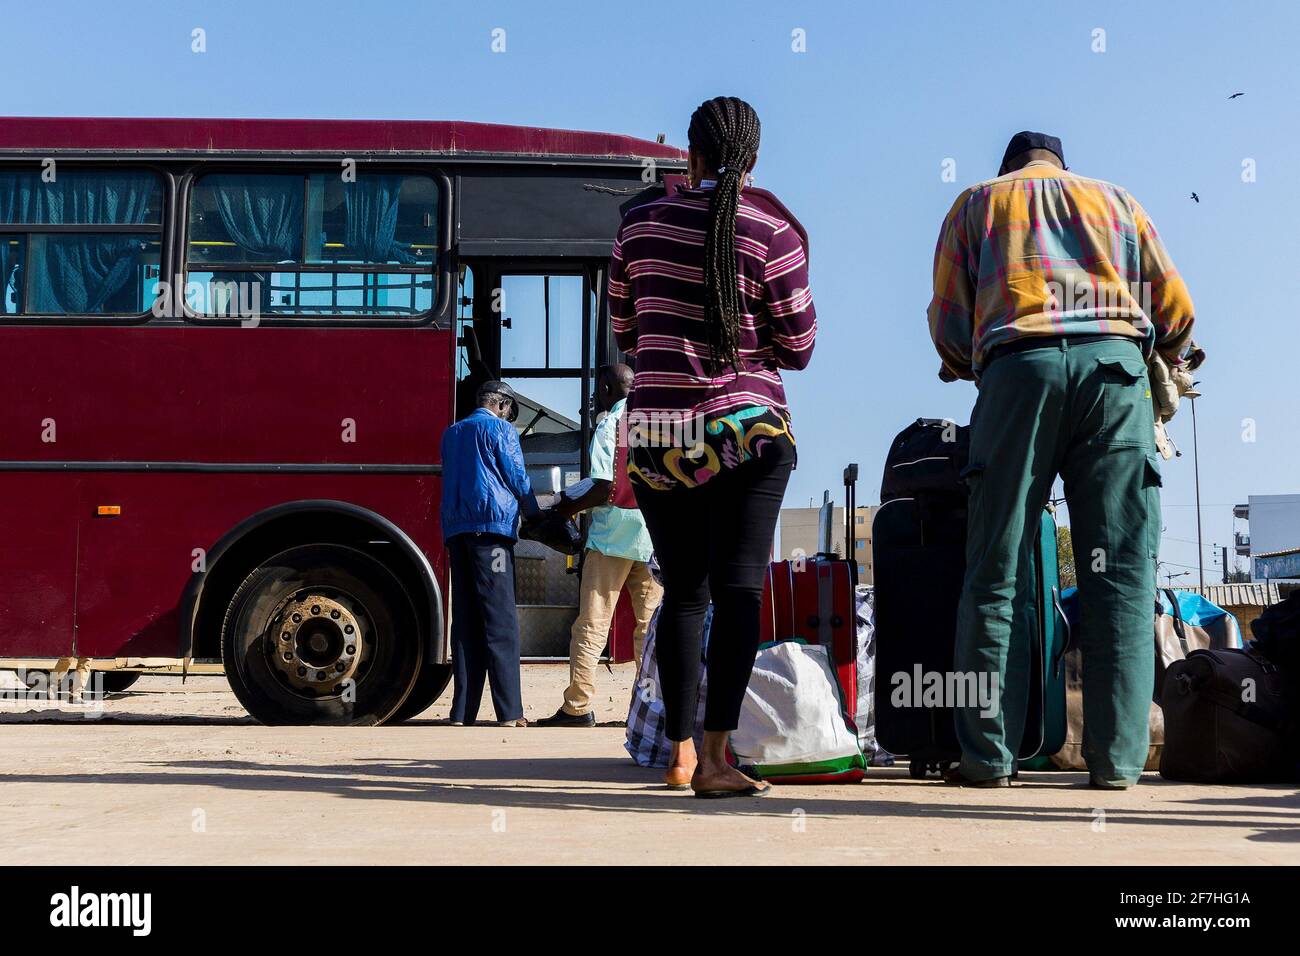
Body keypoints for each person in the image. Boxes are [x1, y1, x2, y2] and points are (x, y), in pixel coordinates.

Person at [927, 131, 1195, 789]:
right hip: (1115, 373)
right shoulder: (1118, 201)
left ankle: (988, 758)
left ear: (1008, 168)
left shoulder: (976, 204)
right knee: (1123, 575)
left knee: (996, 567)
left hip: (1020, 373)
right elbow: (1177, 311)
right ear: (1061, 167)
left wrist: (972, 361)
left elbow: (949, 325)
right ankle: (1117, 762)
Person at [611, 96, 817, 796]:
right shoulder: (773, 228)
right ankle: (722, 760)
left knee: (683, 594)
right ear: (754, 159)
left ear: (689, 155)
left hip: (659, 433)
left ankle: (679, 756)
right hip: (746, 430)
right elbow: (799, 346)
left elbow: (626, 330)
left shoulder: (637, 224)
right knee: (737, 595)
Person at [534, 364, 663, 727]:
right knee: (648, 627)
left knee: (592, 623)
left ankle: (577, 706)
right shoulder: (657, 424)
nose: (593, 399)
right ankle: (650, 710)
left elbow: (602, 486)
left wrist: (563, 509)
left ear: (607, 388)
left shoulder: (610, 424)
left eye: (596, 391)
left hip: (612, 538)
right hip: (652, 536)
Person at [440, 380, 533, 727]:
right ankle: (510, 713)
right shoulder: (501, 431)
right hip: (492, 531)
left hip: (457, 533)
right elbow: (517, 477)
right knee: (500, 621)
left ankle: (462, 713)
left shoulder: (451, 433)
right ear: (503, 406)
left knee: (464, 622)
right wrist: (535, 513)